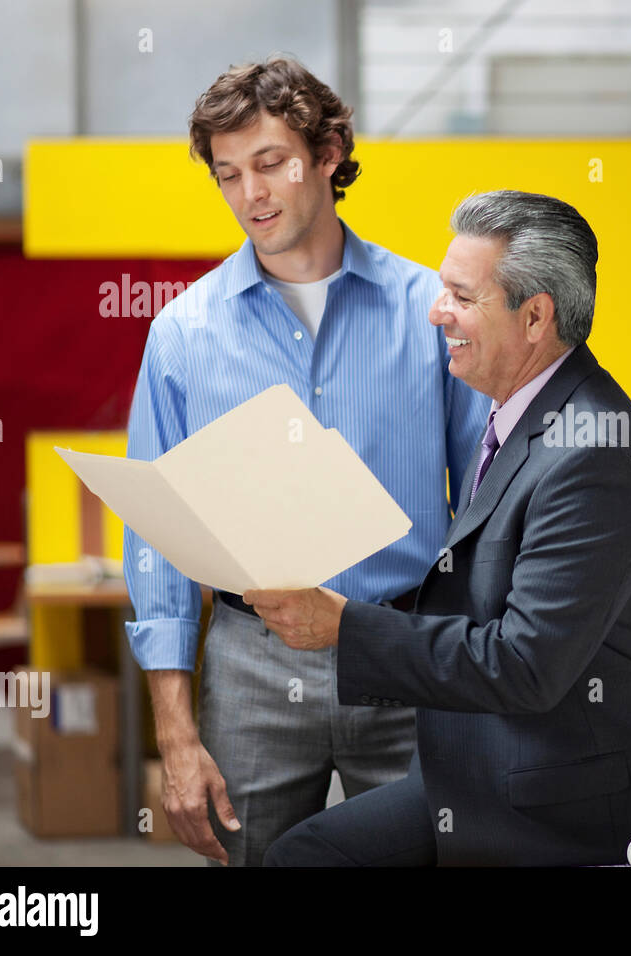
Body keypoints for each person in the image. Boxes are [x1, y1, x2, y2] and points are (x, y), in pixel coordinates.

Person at [245, 190, 631, 866]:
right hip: (487, 772)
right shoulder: (523, 417)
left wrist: (344, 625)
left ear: (536, 315)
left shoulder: (598, 452)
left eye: (460, 295)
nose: (435, 311)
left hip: (562, 804)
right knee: (303, 853)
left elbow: (526, 663)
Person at [123, 57, 489, 866]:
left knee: (436, 858)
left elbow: (487, 506)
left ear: (327, 154)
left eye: (270, 163)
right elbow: (158, 550)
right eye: (227, 175)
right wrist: (177, 740)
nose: (249, 194)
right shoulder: (183, 336)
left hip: (402, 647)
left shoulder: (430, 312)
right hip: (251, 665)